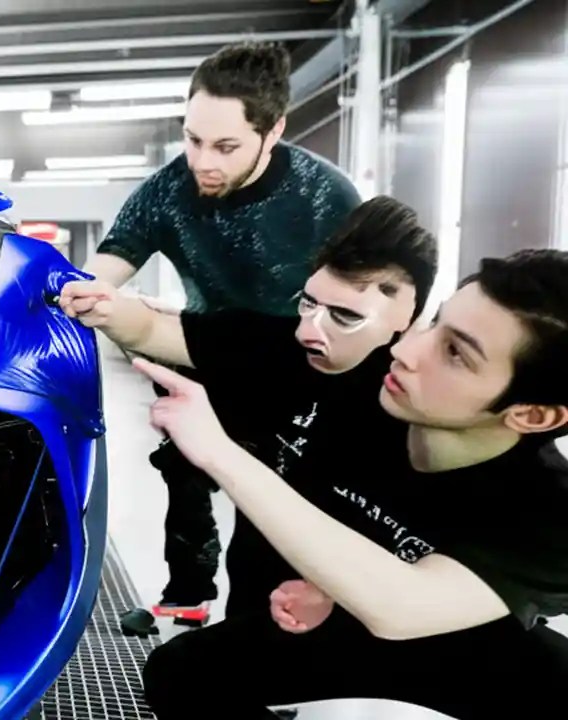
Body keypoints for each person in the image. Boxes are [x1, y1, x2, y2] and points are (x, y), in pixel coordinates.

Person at [130, 249, 568, 718]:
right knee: (181, 672)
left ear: (531, 415)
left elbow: (403, 605)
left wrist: (220, 453)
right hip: (345, 621)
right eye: (436, 323)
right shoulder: (364, 393)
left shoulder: (549, 512)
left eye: (455, 353)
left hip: (458, 633)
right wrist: (330, 588)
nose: (405, 351)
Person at [84, 40, 362, 627]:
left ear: (274, 129)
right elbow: (110, 264)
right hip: (203, 354)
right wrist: (80, 295)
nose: (203, 160)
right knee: (183, 478)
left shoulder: (325, 198)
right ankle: (187, 597)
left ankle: (261, 647)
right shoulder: (169, 188)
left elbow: (361, 307)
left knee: (273, 511)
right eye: (192, 139)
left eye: (226, 146)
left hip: (293, 368)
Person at [61, 195, 437, 621]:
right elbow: (155, 328)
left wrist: (338, 591)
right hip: (252, 612)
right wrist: (107, 309)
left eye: (345, 317)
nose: (309, 330)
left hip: (362, 635)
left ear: (407, 314)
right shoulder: (273, 347)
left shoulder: (421, 412)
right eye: (309, 303)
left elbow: (434, 564)